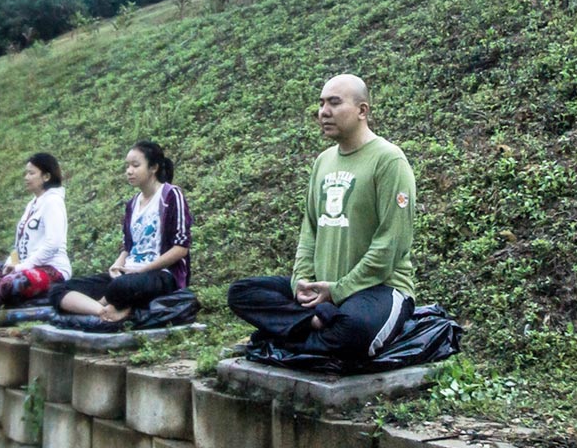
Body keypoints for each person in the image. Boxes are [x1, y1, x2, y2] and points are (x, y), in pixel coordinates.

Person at [228, 74, 418, 359]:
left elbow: (390, 244)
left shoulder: (389, 160)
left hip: (377, 288)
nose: (323, 112)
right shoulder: (323, 161)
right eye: (321, 104)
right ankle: (315, 323)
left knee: (354, 329)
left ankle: (284, 334)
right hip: (322, 290)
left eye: (334, 103)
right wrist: (300, 282)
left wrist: (338, 290)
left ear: (362, 110)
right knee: (242, 292)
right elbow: (310, 231)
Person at [51, 141, 192, 321]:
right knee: (59, 289)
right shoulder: (132, 204)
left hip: (161, 275)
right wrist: (116, 266)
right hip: (128, 274)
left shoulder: (171, 195)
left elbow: (181, 248)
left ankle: (102, 304)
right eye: (127, 166)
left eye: (135, 165)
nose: (129, 171)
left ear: (154, 167)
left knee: (122, 286)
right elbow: (128, 248)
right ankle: (102, 310)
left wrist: (141, 271)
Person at [0, 153, 70, 304]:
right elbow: (19, 243)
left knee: (13, 282)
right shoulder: (33, 203)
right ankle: (1, 289)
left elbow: (53, 244)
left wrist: (22, 267)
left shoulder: (53, 202)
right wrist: (10, 264)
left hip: (51, 268)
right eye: (26, 173)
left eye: (31, 173)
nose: (26, 177)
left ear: (46, 176)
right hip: (24, 266)